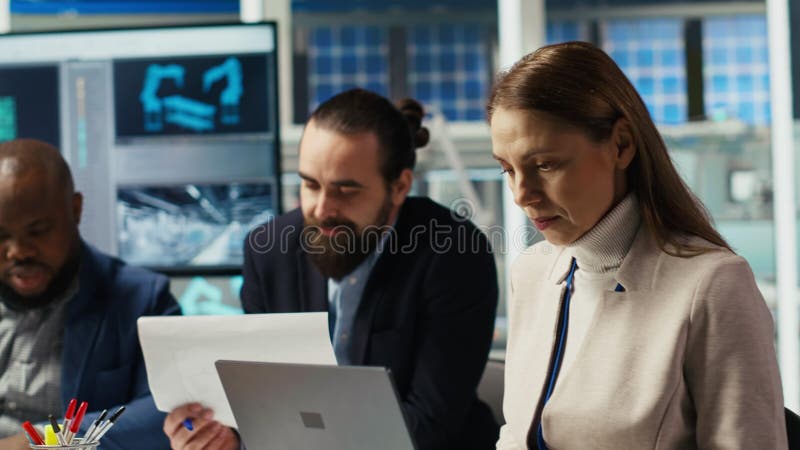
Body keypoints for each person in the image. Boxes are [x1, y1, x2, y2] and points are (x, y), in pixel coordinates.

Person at [163, 88, 500, 450]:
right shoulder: (268, 252)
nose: (322, 209)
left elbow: (429, 424)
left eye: (346, 191)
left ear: (400, 186)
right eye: (310, 184)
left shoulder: (453, 254)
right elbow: (264, 402)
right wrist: (228, 437)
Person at [488, 41, 787, 449]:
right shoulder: (532, 271)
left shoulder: (712, 284)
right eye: (507, 169)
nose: (522, 194)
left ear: (622, 144)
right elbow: (516, 435)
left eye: (545, 164)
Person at [0, 138, 181, 450]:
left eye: (37, 231)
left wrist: (40, 443)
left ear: (75, 210)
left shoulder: (143, 299)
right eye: (0, 236)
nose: (18, 252)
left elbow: (167, 414)